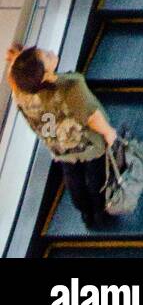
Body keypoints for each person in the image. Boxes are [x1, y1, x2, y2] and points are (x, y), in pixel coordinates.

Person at [6, 44, 120, 231]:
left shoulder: (21, 94)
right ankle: (100, 212)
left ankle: (86, 213)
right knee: (96, 175)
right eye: (46, 56)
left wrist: (18, 62)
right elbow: (92, 117)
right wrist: (109, 133)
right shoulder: (70, 86)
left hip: (59, 146)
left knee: (72, 177)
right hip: (89, 145)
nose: (51, 52)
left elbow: (16, 78)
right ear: (43, 74)